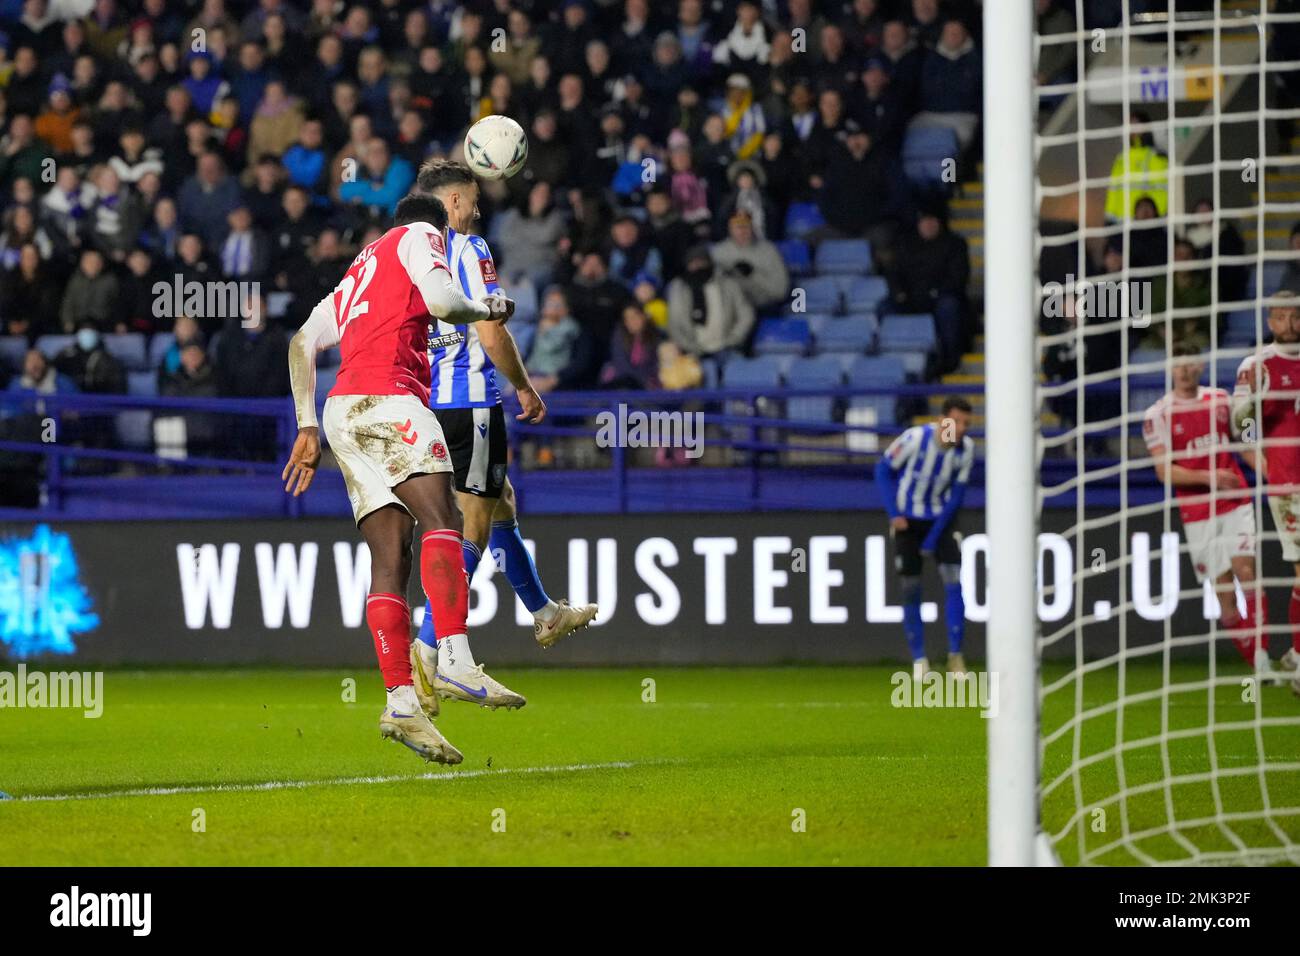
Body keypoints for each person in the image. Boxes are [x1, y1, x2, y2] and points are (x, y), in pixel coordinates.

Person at [282, 192, 497, 765]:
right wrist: (485, 308)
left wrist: (306, 425)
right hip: (390, 400)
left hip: (341, 411)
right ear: (433, 221)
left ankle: (401, 699)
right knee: (444, 517)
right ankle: (453, 655)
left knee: (390, 559)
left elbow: (301, 341)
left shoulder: (359, 265)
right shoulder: (419, 237)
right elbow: (442, 301)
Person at [411, 159, 598, 710]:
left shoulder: (407, 253)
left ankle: (544, 613)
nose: (477, 207)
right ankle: (430, 651)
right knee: (471, 525)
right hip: (471, 405)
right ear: (451, 203)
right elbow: (491, 330)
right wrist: (524, 388)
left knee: (500, 503)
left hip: (423, 406)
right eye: (470, 198)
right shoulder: (470, 249)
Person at [1146, 342, 1271, 674]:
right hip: (1197, 512)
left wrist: (1272, 473)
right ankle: (1257, 663)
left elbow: (1242, 446)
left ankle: (1262, 656)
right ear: (1170, 369)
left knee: (1248, 573)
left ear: (1201, 365)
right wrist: (1209, 477)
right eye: (1178, 365)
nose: (1185, 370)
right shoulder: (1157, 415)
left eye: (1190, 364)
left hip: (1235, 502)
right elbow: (1164, 471)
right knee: (1225, 596)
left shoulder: (1219, 400)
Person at [874, 396, 975, 678]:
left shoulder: (965, 450)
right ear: (942, 419)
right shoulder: (915, 438)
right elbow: (882, 469)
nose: (961, 428)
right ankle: (920, 660)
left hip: (941, 522)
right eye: (956, 421)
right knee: (910, 588)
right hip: (908, 522)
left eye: (966, 423)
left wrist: (934, 536)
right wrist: (894, 513)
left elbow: (956, 496)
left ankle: (956, 658)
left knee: (954, 582)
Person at [1232, 292, 1300, 693]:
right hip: (1289, 486)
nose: (1289, 325)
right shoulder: (1256, 367)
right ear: (1270, 321)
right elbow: (1242, 431)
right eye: (1281, 317)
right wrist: (1268, 467)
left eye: (1295, 317)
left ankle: (1292, 653)